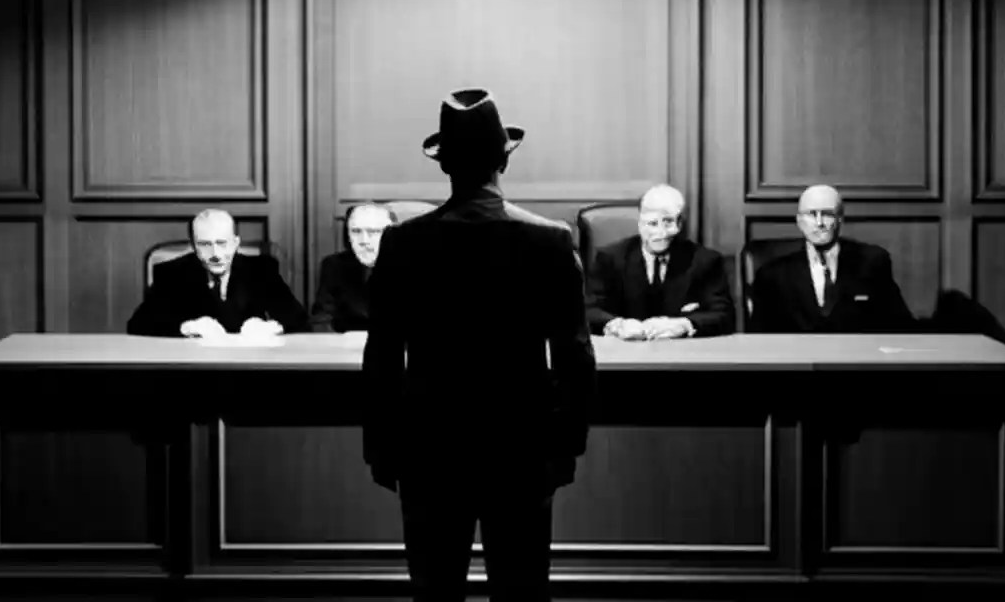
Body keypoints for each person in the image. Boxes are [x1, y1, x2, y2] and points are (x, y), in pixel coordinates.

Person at [361, 88, 596, 601]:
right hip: (521, 443)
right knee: (521, 593)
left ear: (444, 165)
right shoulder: (549, 240)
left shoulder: (404, 242)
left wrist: (380, 446)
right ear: (502, 160)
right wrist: (567, 445)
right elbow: (576, 355)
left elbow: (381, 356)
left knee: (435, 592)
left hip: (430, 445)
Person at [748, 184, 914, 333]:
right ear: (799, 221)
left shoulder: (872, 262)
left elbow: (899, 325)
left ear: (840, 219)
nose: (819, 223)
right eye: (811, 214)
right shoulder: (772, 274)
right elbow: (759, 338)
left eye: (827, 214)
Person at [127, 208, 309, 338]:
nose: (215, 254)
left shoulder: (262, 270)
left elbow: (300, 321)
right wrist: (186, 327)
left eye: (222, 243)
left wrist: (272, 327)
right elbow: (138, 325)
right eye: (205, 244)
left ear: (235, 243)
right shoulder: (172, 273)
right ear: (192, 246)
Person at [585, 184, 735, 340]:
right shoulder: (610, 258)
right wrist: (617, 325)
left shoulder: (705, 261)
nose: (661, 233)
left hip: (683, 354)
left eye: (668, 222)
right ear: (640, 224)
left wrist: (684, 324)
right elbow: (588, 310)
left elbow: (724, 315)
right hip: (625, 352)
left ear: (679, 225)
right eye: (652, 224)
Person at [309, 203, 397, 333]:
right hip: (345, 347)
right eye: (356, 232)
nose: (364, 240)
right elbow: (321, 319)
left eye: (373, 232)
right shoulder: (334, 265)